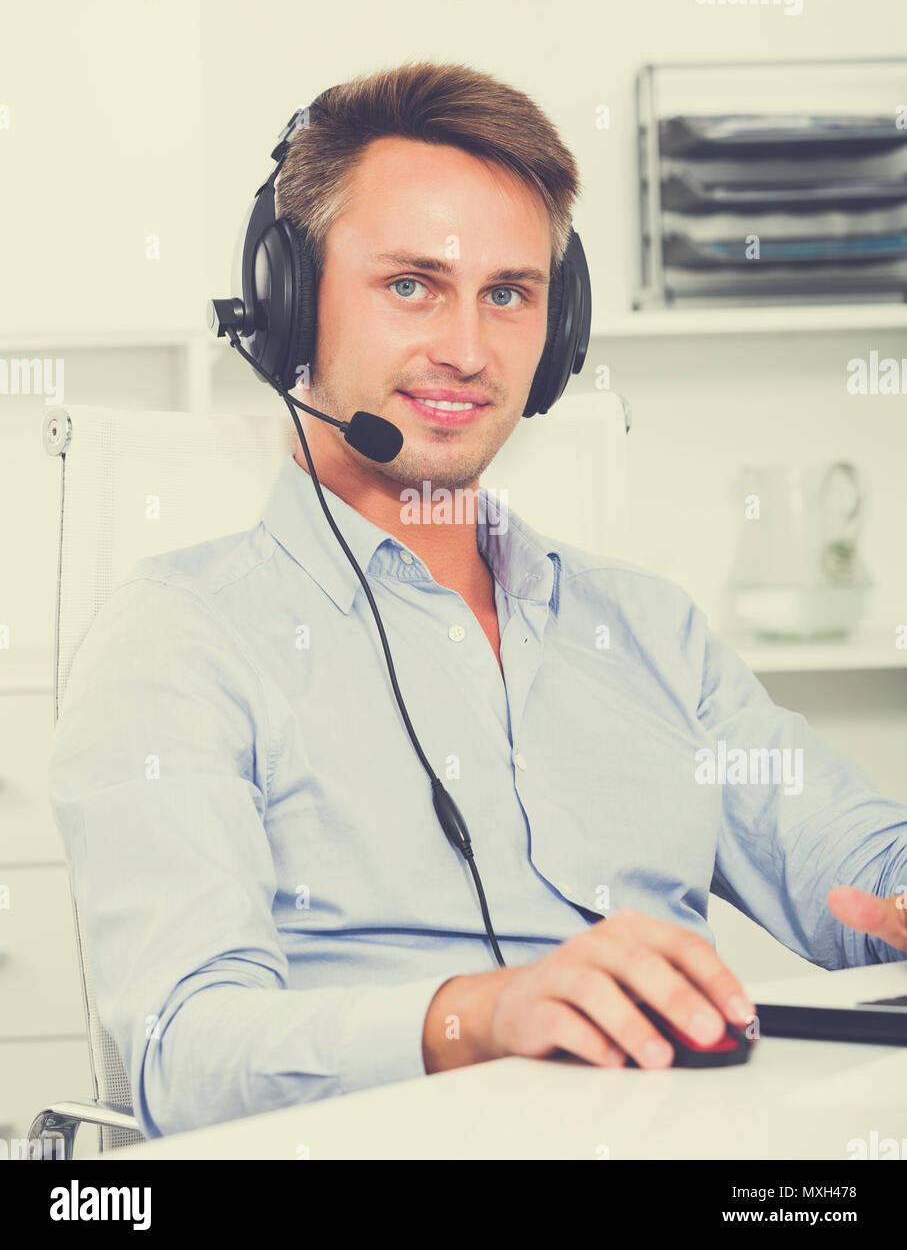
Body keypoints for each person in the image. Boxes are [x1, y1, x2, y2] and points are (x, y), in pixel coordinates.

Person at [48, 61, 907, 1140]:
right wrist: (478, 1019)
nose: (465, 348)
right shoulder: (178, 638)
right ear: (286, 303)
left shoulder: (649, 630)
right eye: (410, 283)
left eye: (508, 293)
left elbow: (861, 869)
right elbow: (186, 1052)